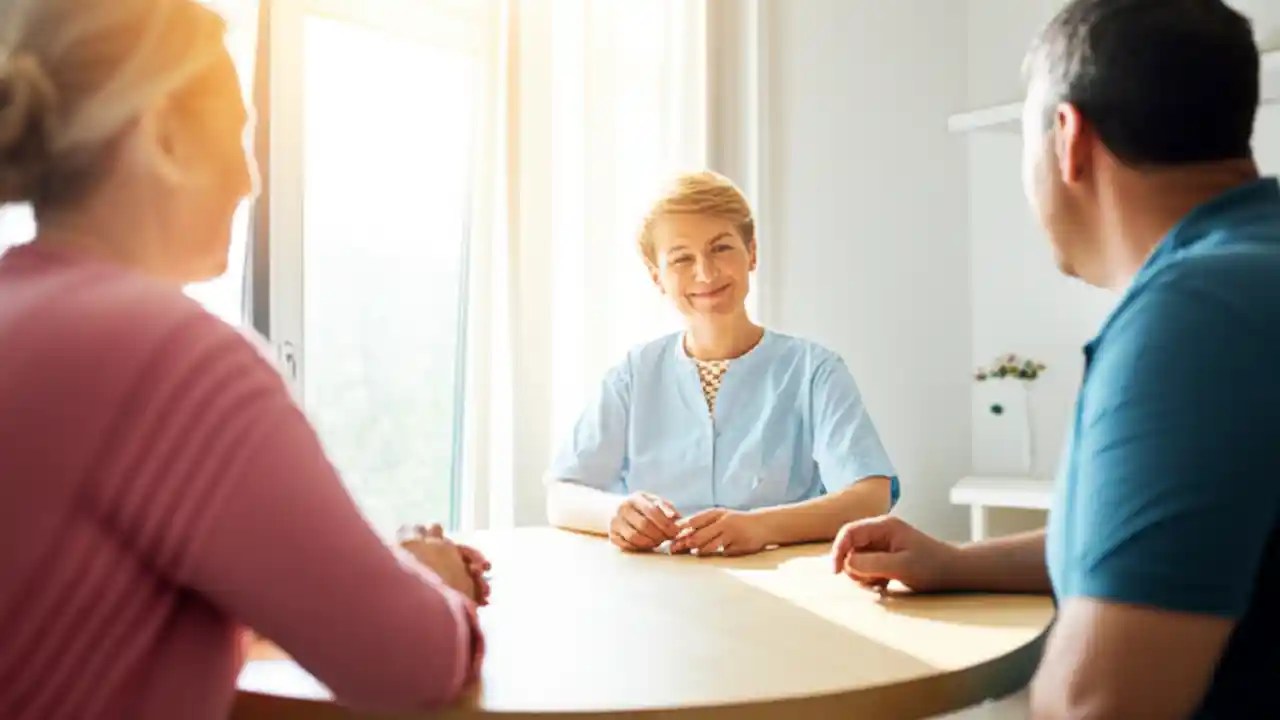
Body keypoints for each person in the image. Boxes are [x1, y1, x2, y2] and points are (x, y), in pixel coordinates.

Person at [0, 1, 488, 718]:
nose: (249, 180)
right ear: (163, 133)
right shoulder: (166, 355)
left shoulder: (26, 317)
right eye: (238, 135)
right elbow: (407, 662)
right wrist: (441, 582)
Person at [831, 1, 1280, 717]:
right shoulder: (1249, 272)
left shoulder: (1195, 314)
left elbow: (1096, 703)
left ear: (1067, 138)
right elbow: (1168, 540)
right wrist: (955, 562)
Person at [545, 171, 898, 556]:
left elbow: (871, 496)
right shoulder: (633, 375)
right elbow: (562, 494)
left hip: (784, 584)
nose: (706, 273)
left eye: (721, 248)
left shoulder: (814, 370)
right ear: (656, 277)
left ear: (753, 254)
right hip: (655, 592)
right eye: (681, 258)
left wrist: (762, 526)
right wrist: (615, 513)